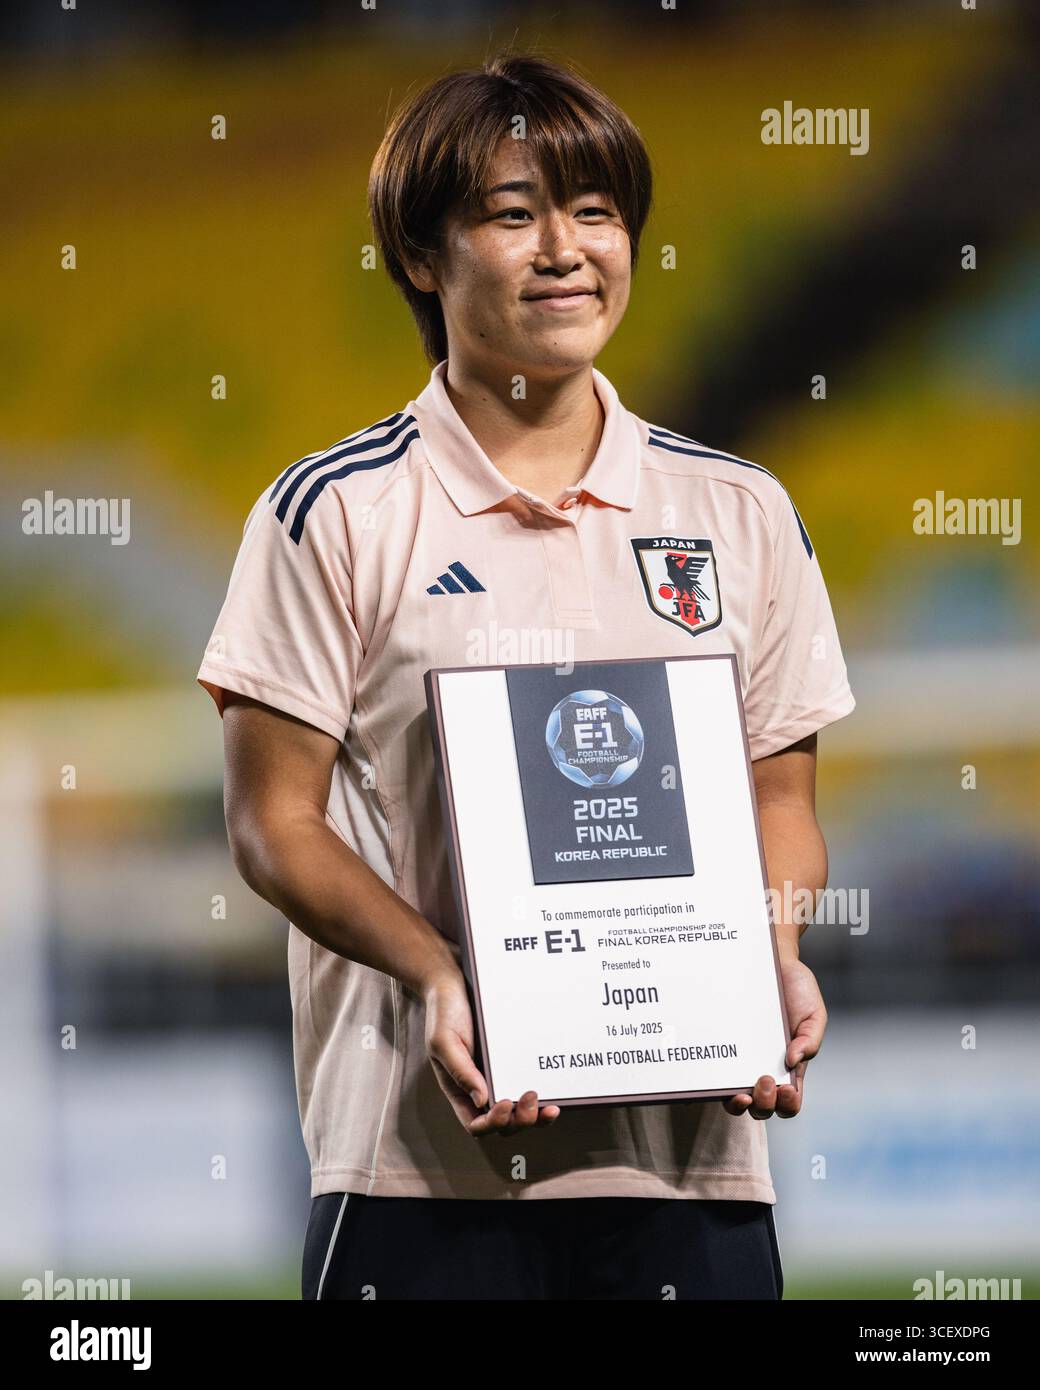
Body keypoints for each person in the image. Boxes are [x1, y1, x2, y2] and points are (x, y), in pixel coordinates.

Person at [196, 51, 855, 1301]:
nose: (564, 248)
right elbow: (271, 823)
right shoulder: (333, 512)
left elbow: (779, 802)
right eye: (512, 213)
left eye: (595, 212)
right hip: (417, 1171)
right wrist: (441, 972)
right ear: (420, 255)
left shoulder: (739, 509)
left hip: (690, 1169)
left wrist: (768, 953)